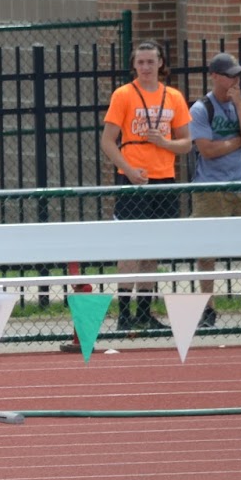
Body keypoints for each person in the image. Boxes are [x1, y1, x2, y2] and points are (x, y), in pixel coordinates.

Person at [100, 41, 191, 331]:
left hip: (164, 178)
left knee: (153, 248)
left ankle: (145, 311)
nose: (146, 67)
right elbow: (107, 141)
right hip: (133, 178)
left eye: (151, 62)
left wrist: (165, 143)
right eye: (141, 62)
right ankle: (124, 314)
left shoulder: (174, 97)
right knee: (130, 247)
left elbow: (187, 143)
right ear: (134, 66)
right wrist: (127, 170)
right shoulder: (123, 95)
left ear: (161, 63)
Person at [189, 52, 241, 327]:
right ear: (214, 76)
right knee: (207, 251)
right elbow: (207, 150)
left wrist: (240, 108)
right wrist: (237, 142)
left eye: (237, 75)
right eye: (229, 75)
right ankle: (208, 308)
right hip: (210, 188)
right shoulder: (201, 109)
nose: (235, 80)